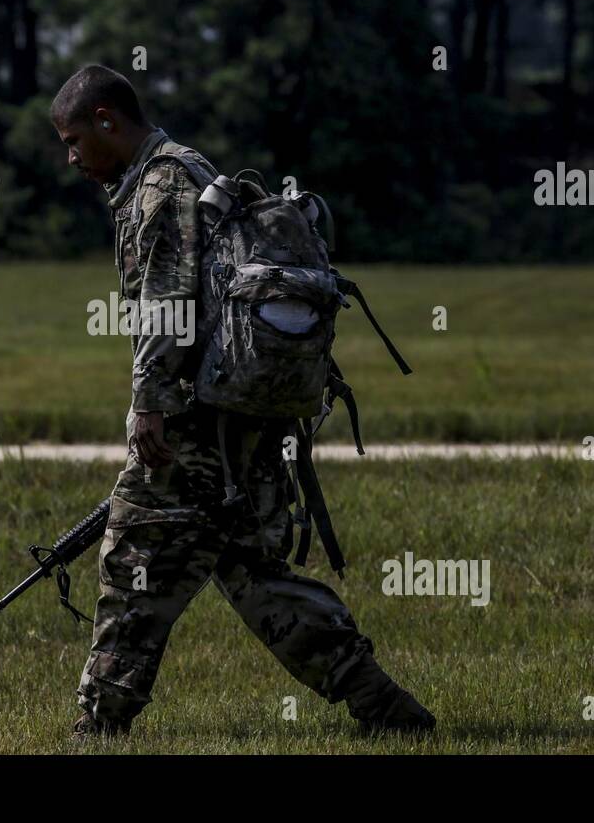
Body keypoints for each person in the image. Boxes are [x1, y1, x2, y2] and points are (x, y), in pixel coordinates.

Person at [49, 63, 436, 739]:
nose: (72, 157)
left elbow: (166, 306)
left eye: (75, 139)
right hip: (241, 414)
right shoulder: (191, 169)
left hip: (192, 420)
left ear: (108, 121)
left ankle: (98, 727)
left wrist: (149, 405)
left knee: (134, 560)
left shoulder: (162, 185)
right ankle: (381, 705)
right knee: (252, 571)